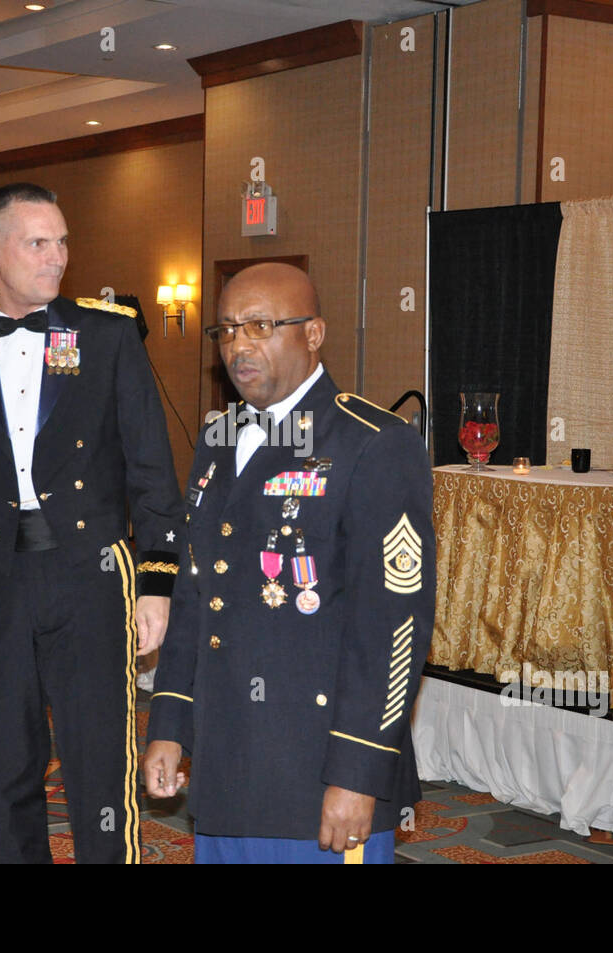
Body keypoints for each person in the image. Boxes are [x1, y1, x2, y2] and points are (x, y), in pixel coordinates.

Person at [0, 183, 183, 864]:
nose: (56, 257)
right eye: (37, 243)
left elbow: (152, 467)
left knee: (98, 761)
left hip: (89, 572)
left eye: (61, 241)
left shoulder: (105, 334)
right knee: (3, 761)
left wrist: (158, 582)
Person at [143, 263, 436, 864]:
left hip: (320, 773)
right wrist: (171, 723)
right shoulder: (217, 439)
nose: (238, 345)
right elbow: (195, 595)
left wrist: (358, 774)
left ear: (314, 334)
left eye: (261, 325)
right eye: (226, 330)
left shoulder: (373, 443)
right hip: (228, 767)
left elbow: (393, 627)